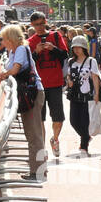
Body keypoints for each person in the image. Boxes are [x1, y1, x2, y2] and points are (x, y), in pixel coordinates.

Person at [0, 24, 48, 181]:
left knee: (34, 134)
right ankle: (37, 169)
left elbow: (16, 69)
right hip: (29, 94)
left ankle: (37, 172)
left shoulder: (20, 50)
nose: (2, 42)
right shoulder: (15, 51)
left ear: (10, 38)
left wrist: (4, 74)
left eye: (4, 39)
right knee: (31, 133)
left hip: (32, 93)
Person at [27, 12, 68, 157]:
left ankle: (55, 139)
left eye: (41, 23)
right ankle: (42, 148)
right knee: (40, 119)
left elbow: (65, 55)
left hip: (56, 83)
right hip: (39, 86)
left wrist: (53, 48)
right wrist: (36, 52)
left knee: (58, 117)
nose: (39, 27)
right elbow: (28, 63)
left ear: (45, 21)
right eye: (36, 25)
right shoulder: (30, 41)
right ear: (32, 25)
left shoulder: (56, 36)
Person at [64, 35, 101, 157]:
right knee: (73, 121)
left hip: (87, 95)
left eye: (79, 47)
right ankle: (86, 137)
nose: (76, 50)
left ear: (84, 47)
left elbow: (95, 78)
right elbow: (69, 76)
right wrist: (68, 82)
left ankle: (84, 145)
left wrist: (96, 93)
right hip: (74, 94)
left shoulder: (91, 61)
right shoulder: (71, 61)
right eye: (74, 47)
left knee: (85, 121)